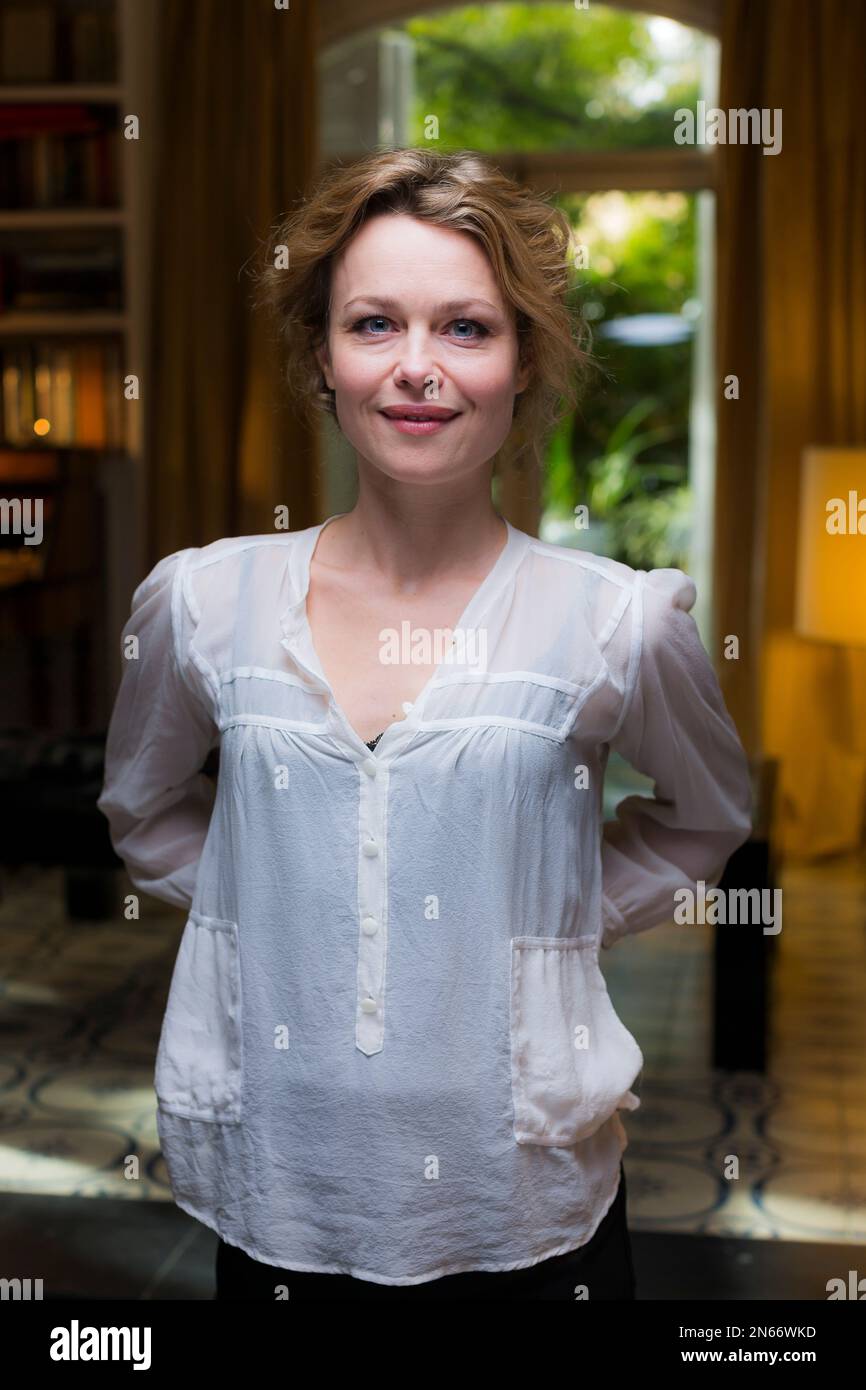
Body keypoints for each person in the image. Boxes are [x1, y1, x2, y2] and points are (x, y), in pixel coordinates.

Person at [97, 147, 753, 1301]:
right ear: (321, 357)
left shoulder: (617, 620)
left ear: (523, 360)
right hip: (280, 1188)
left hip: (525, 1200)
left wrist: (550, 917)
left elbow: (706, 817)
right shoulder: (203, 599)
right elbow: (142, 805)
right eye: (371, 325)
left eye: (464, 328)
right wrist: (284, 909)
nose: (414, 370)